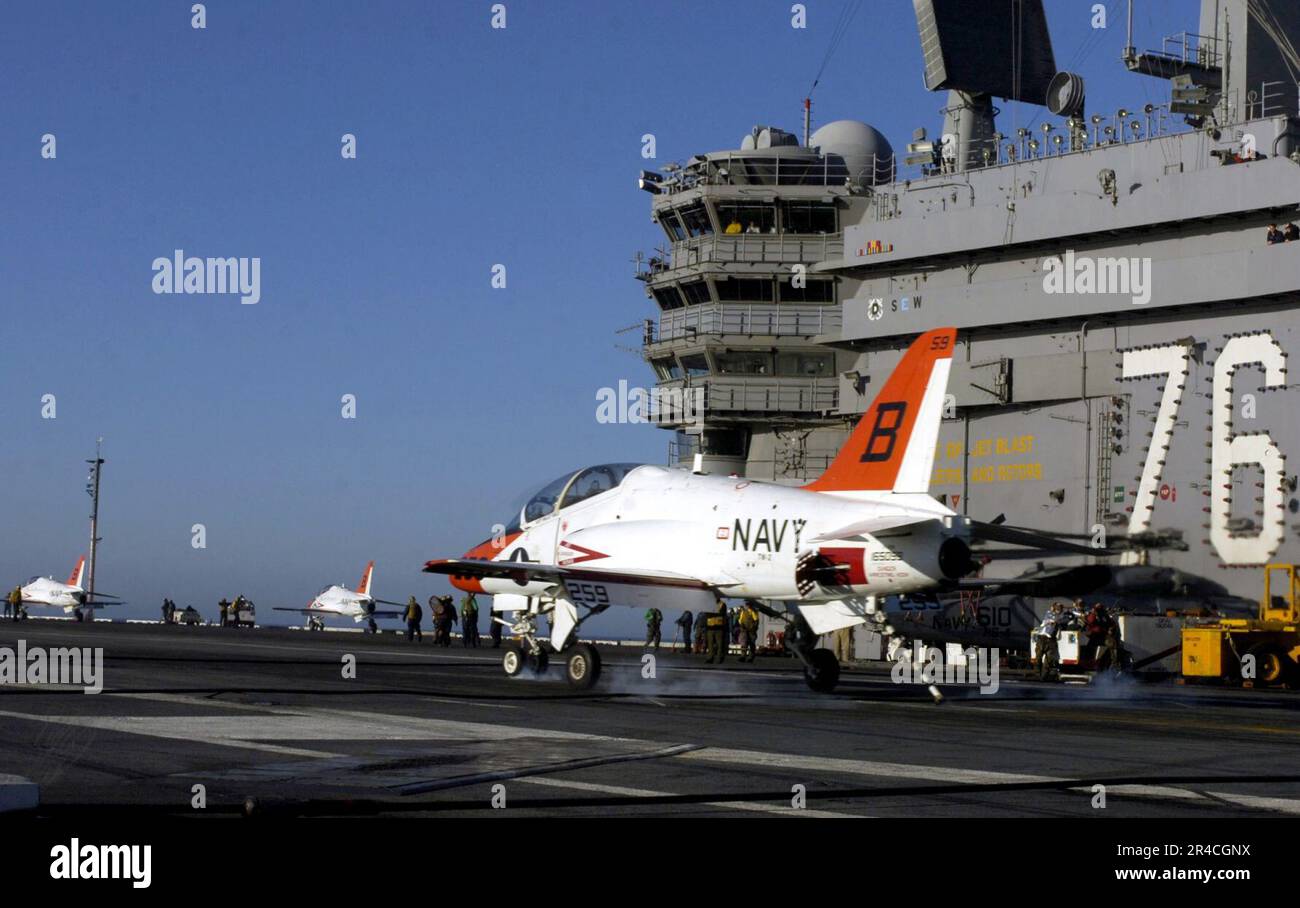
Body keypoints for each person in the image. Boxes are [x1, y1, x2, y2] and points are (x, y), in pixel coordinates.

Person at [705, 599, 728, 664]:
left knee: (719, 644)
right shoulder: (708, 603)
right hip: (711, 627)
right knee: (710, 644)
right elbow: (707, 614)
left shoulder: (722, 604)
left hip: (718, 627)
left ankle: (719, 658)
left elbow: (722, 614)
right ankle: (710, 658)